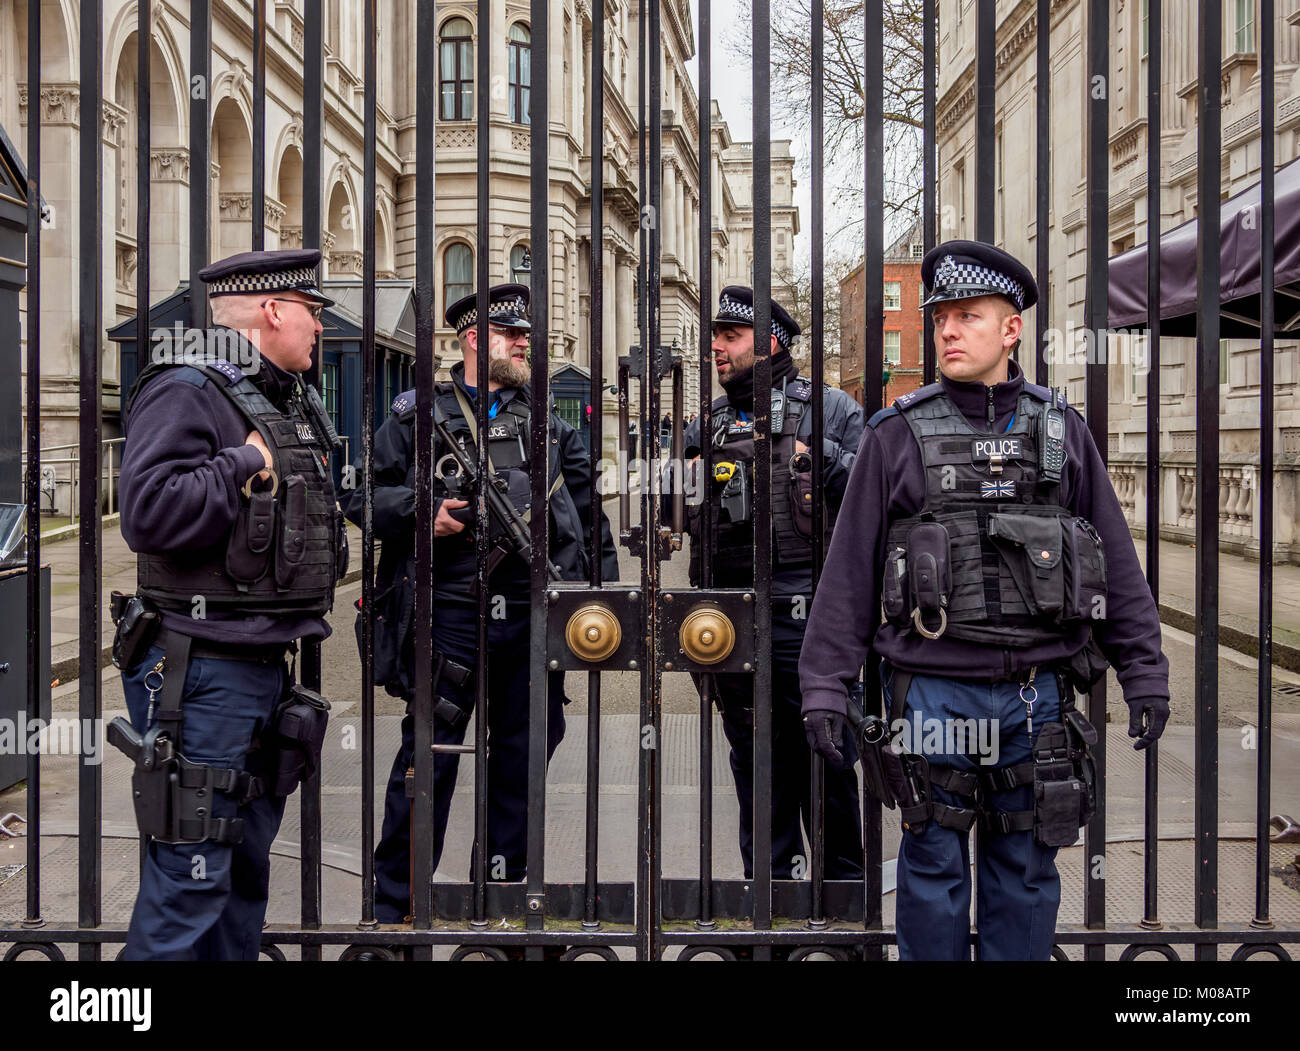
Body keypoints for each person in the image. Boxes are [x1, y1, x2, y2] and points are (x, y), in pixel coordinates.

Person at [799, 240, 1171, 960]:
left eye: (967, 316)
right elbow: (848, 574)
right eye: (940, 316)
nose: (946, 330)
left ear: (1012, 329)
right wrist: (824, 684)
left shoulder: (1062, 433)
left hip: (1038, 699)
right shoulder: (894, 436)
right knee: (932, 873)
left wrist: (1145, 670)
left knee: (1026, 875)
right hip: (932, 694)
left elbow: (1117, 565)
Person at [344, 283, 618, 923]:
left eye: (527, 333)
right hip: (448, 617)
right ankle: (397, 911)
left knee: (521, 764)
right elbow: (358, 496)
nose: (526, 342)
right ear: (472, 338)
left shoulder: (550, 420)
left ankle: (499, 903)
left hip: (530, 616)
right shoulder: (418, 416)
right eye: (511, 333)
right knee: (426, 762)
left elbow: (590, 517)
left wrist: (597, 609)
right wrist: (421, 513)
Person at [114, 249, 348, 960]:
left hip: (256, 664)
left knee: (241, 878)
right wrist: (243, 462)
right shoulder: (189, 388)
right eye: (312, 310)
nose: (319, 327)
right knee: (189, 885)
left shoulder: (282, 393)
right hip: (200, 669)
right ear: (272, 309)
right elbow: (146, 512)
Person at [678, 285, 865, 882]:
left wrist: (822, 459)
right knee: (756, 763)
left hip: (810, 616)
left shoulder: (830, 408)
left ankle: (839, 900)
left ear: (771, 342)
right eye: (717, 339)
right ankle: (770, 900)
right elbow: (680, 516)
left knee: (828, 759)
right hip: (731, 618)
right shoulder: (707, 420)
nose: (718, 348)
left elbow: (873, 497)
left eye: (731, 338)